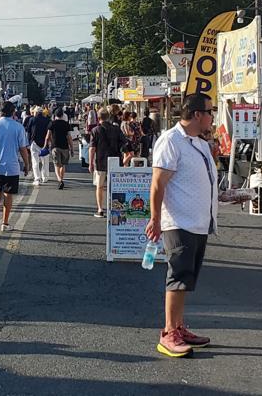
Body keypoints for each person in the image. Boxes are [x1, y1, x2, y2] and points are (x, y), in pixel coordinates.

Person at [144, 93, 218, 357]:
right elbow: (157, 184)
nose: (212, 116)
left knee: (186, 279)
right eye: (210, 111)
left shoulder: (197, 142)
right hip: (179, 222)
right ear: (197, 114)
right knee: (177, 277)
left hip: (198, 222)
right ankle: (168, 332)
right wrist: (155, 218)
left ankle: (178, 326)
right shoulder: (172, 141)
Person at [0, 101, 30, 231]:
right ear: (13, 112)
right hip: (12, 165)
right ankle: (5, 222)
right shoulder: (18, 127)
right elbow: (23, 148)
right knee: (8, 194)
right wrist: (27, 164)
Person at [89, 109, 127, 218]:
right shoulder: (116, 129)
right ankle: (116, 208)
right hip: (115, 161)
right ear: (108, 116)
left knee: (99, 186)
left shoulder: (95, 130)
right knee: (115, 186)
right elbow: (124, 144)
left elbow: (92, 148)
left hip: (101, 161)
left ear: (98, 117)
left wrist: (90, 163)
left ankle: (100, 209)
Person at [45, 108, 73, 190]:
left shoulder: (52, 124)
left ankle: (59, 180)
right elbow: (69, 137)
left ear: (55, 115)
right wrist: (71, 148)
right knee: (63, 165)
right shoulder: (66, 124)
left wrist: (46, 145)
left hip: (55, 146)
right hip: (65, 147)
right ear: (62, 115)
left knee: (56, 164)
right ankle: (62, 178)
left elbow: (47, 136)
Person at [26, 106, 51, 185]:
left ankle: (37, 178)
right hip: (44, 143)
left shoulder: (32, 119)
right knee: (45, 161)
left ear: (36, 112)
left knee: (35, 161)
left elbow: (28, 131)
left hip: (34, 142)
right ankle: (45, 177)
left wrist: (28, 142)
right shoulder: (47, 120)